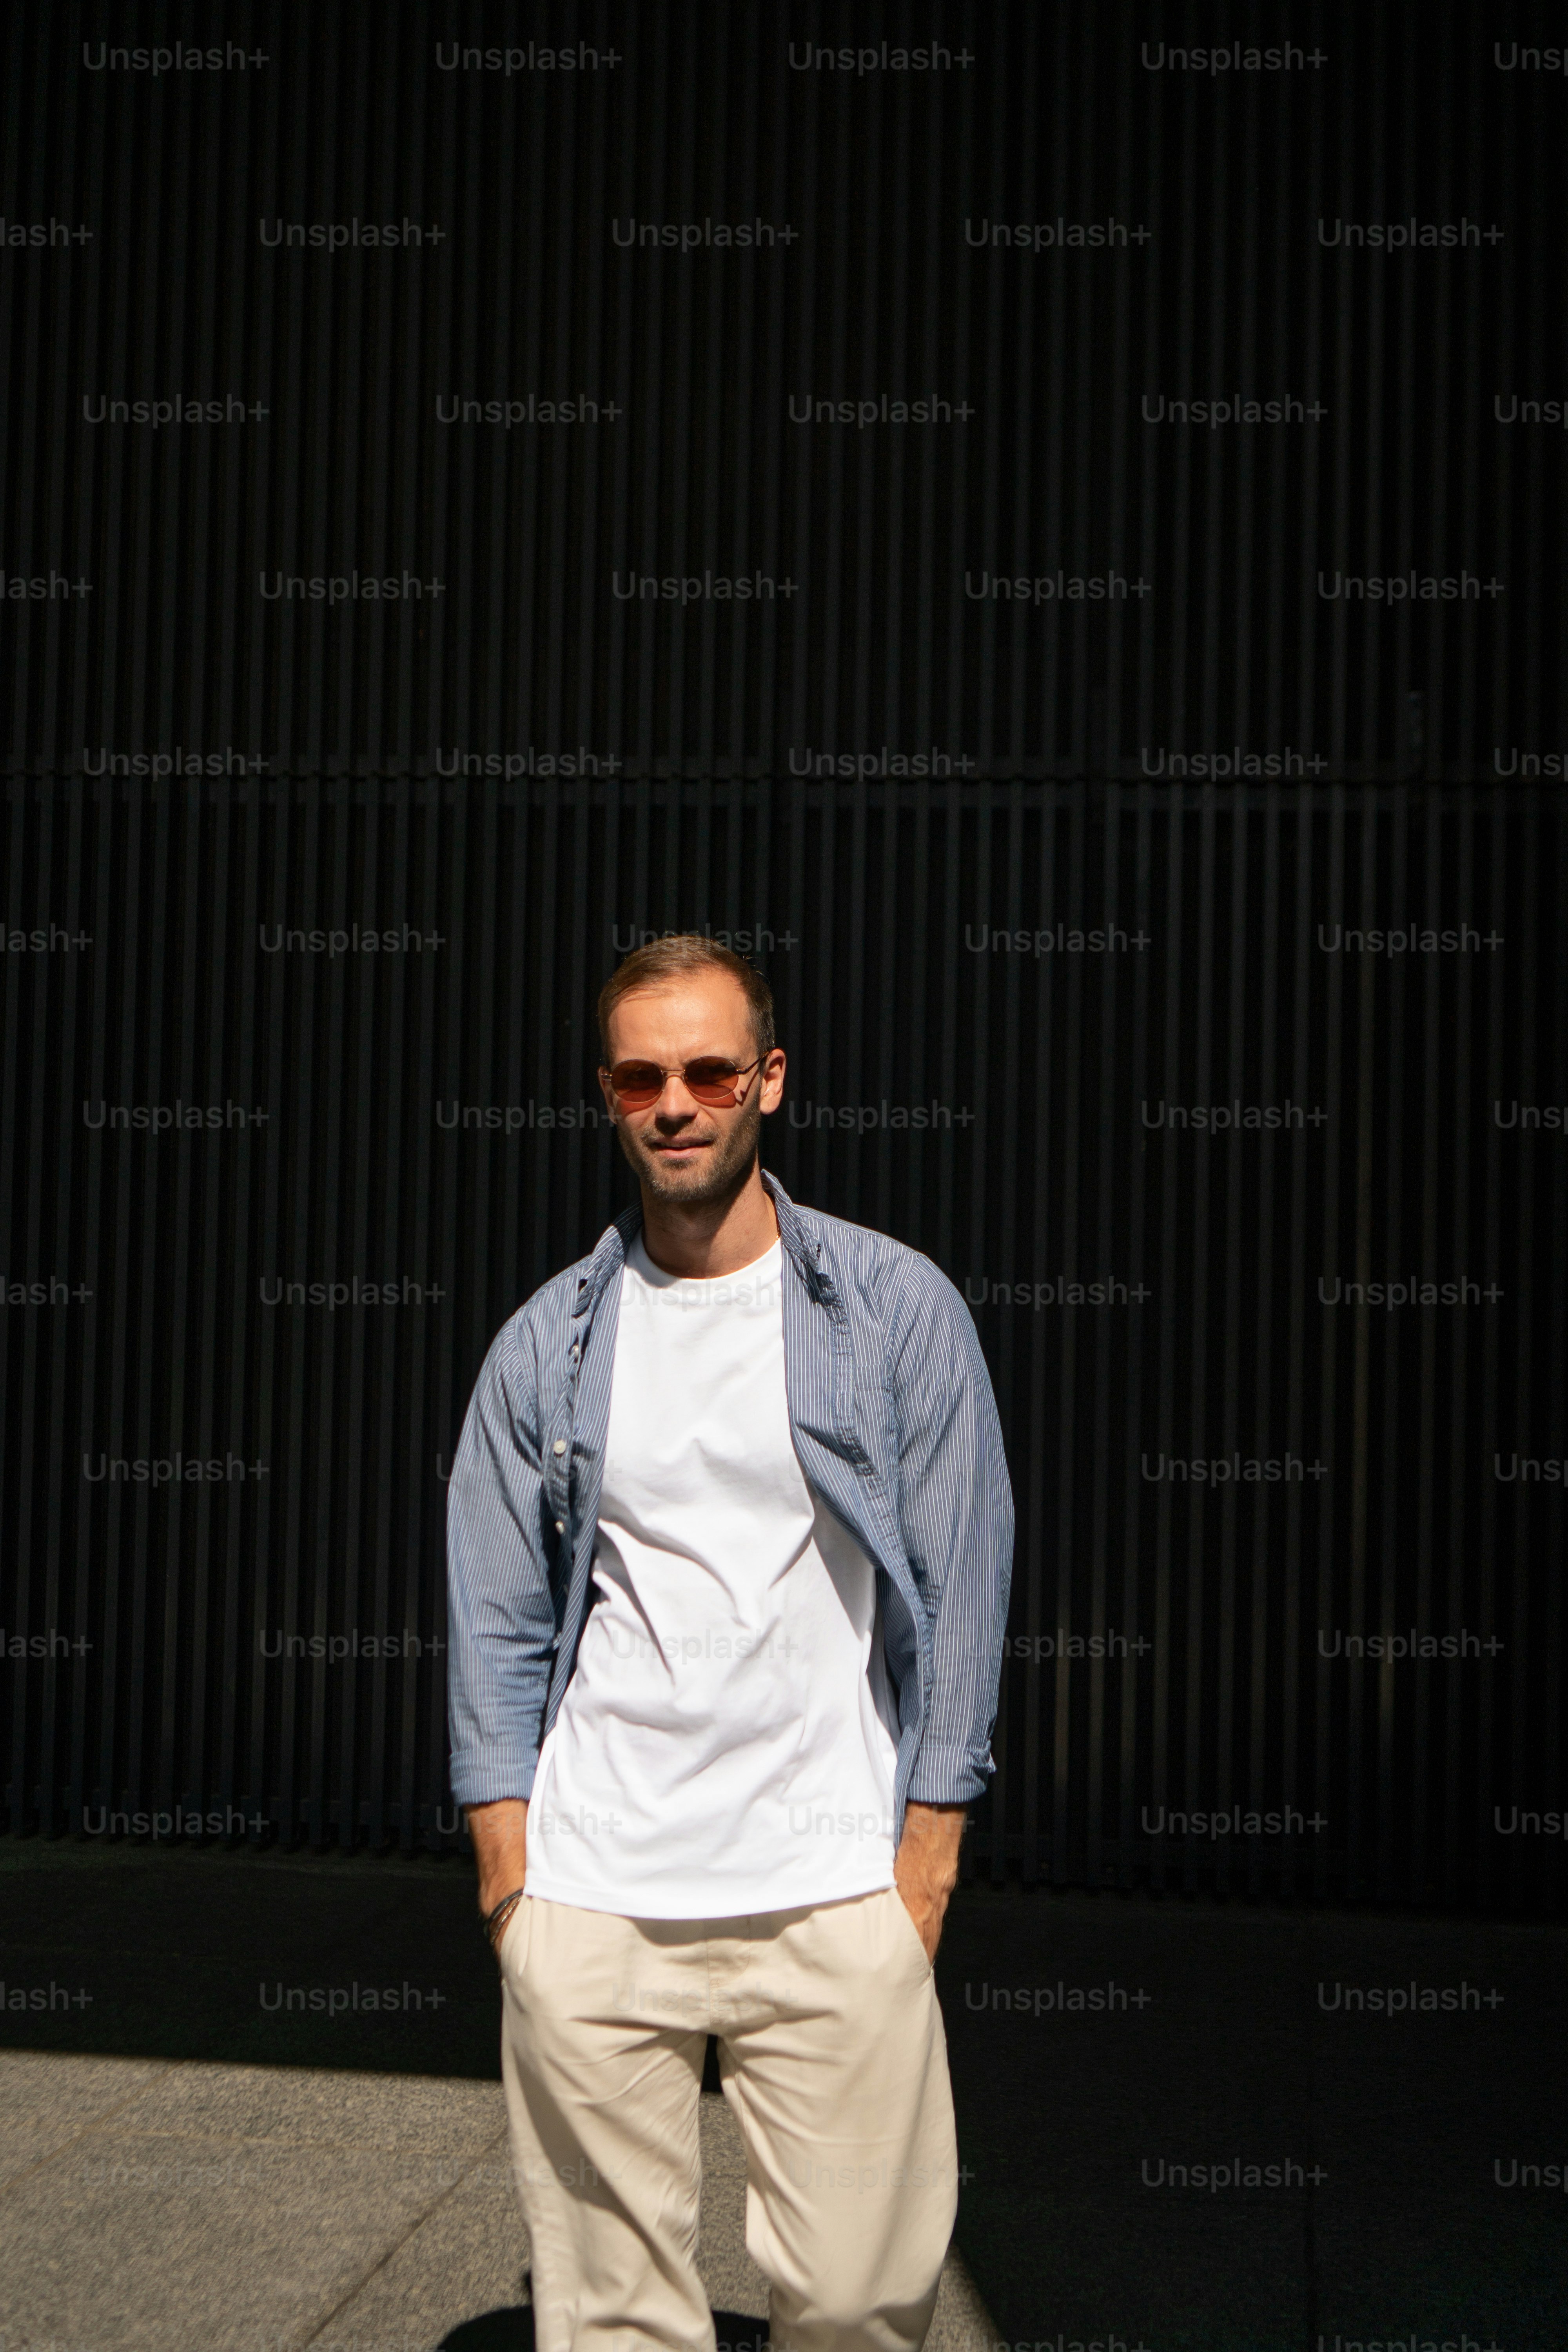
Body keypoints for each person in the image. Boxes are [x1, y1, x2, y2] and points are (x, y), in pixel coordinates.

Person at [446, 933, 1013, 2352]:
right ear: (608, 1094)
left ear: (769, 1079)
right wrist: (514, 1877)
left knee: (858, 2303)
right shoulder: (547, 1347)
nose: (677, 1103)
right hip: (597, 1894)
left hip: (831, 1887)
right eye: (644, 1076)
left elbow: (965, 1582)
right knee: (614, 2318)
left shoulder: (894, 1312)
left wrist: (925, 1867)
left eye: (709, 1069)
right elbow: (494, 1619)